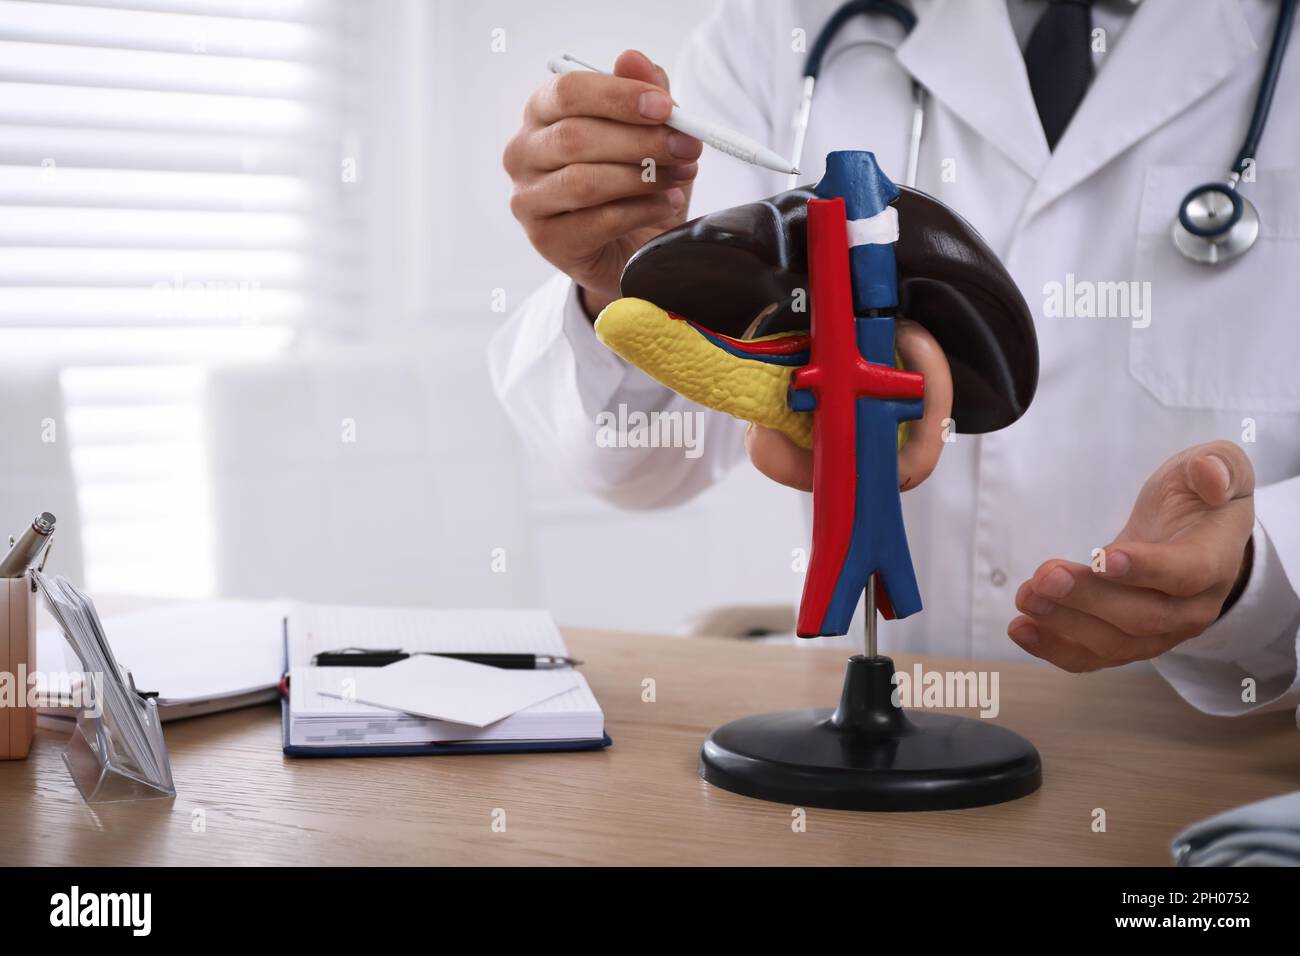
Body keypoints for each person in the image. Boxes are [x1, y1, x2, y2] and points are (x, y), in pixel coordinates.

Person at [490, 0, 1300, 717]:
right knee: (853, 582)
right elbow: (638, 460)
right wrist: (623, 277)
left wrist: (1261, 574)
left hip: (1196, 759)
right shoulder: (781, 25)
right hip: (852, 786)